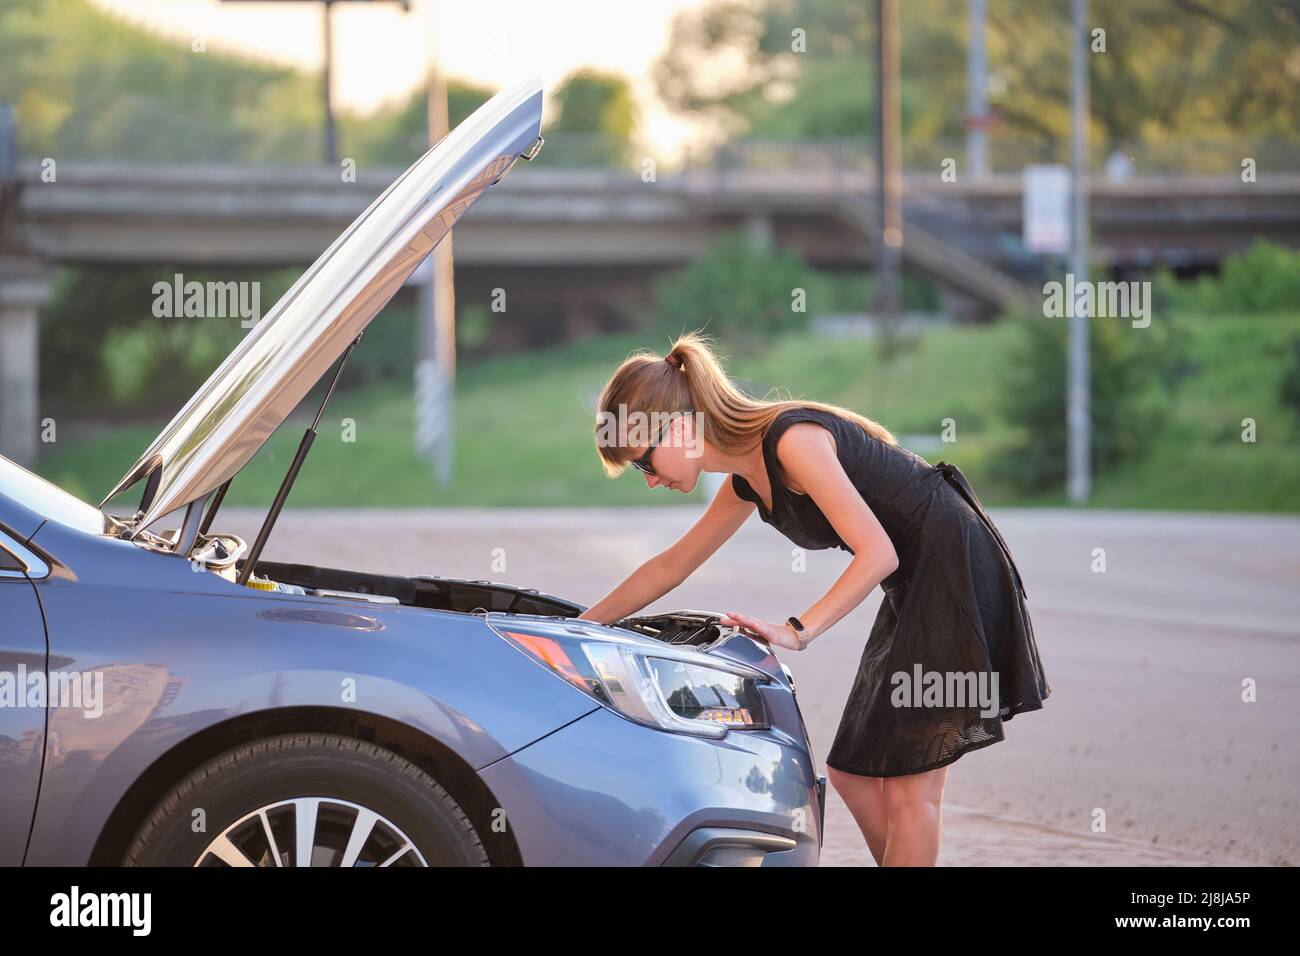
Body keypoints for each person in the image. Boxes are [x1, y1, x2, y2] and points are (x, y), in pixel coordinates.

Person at [578, 330, 1051, 866]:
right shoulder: (745, 482)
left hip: (956, 571)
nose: (649, 481)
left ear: (681, 429)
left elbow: (877, 553)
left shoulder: (791, 440)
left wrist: (796, 630)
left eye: (643, 463)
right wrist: (577, 629)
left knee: (909, 789)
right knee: (855, 774)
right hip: (915, 584)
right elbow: (670, 566)